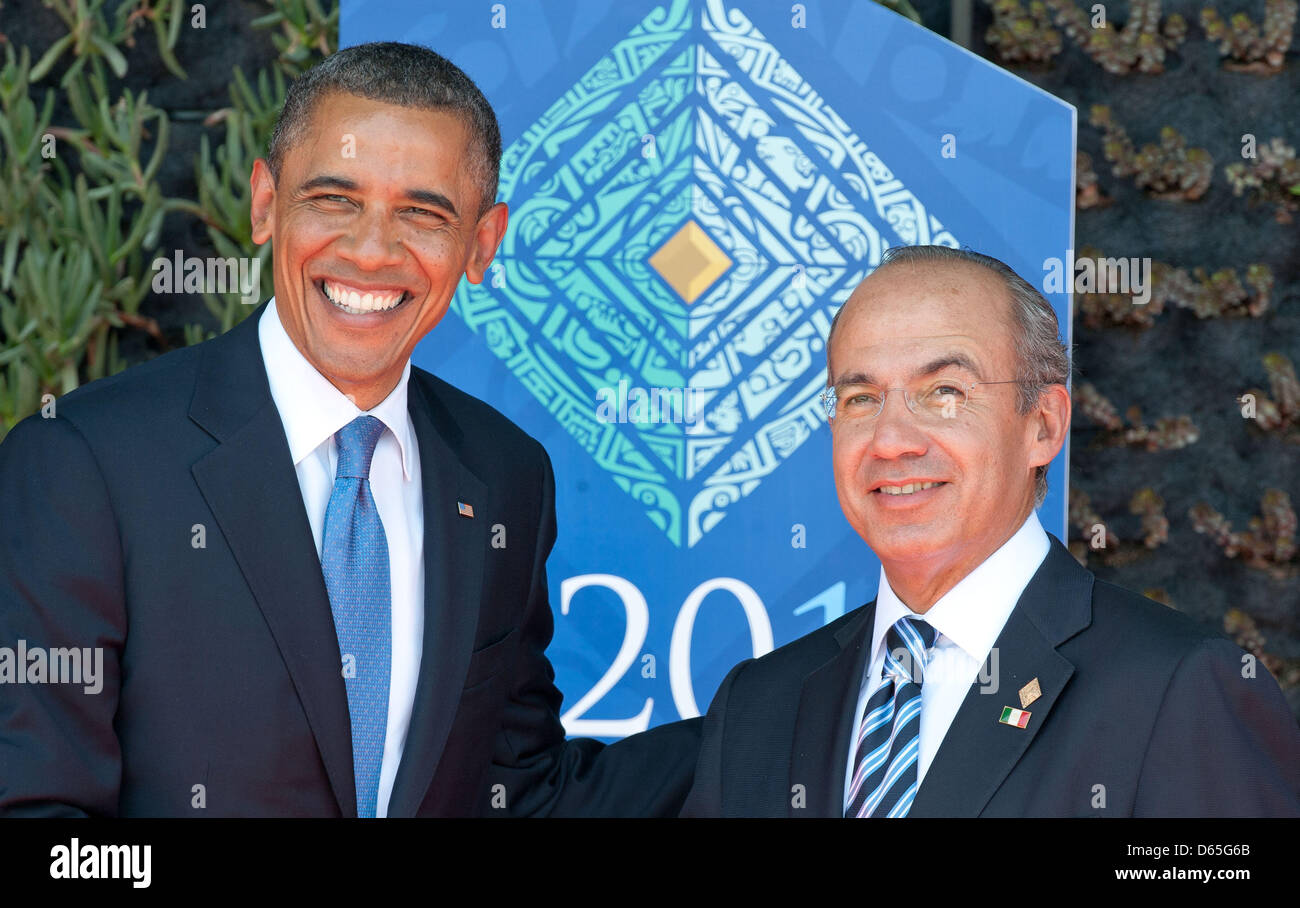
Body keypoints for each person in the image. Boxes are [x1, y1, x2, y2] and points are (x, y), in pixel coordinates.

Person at [0, 41, 698, 817]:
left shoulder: (505, 474)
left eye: (423, 213)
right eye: (334, 200)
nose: (371, 252)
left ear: (482, 243)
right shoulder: (83, 464)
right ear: (265, 204)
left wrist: (812, 708)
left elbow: (517, 793)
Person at [681, 244, 1300, 818]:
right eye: (861, 398)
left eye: (945, 392)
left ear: (1044, 425)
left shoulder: (1179, 689)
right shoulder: (759, 703)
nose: (891, 441)